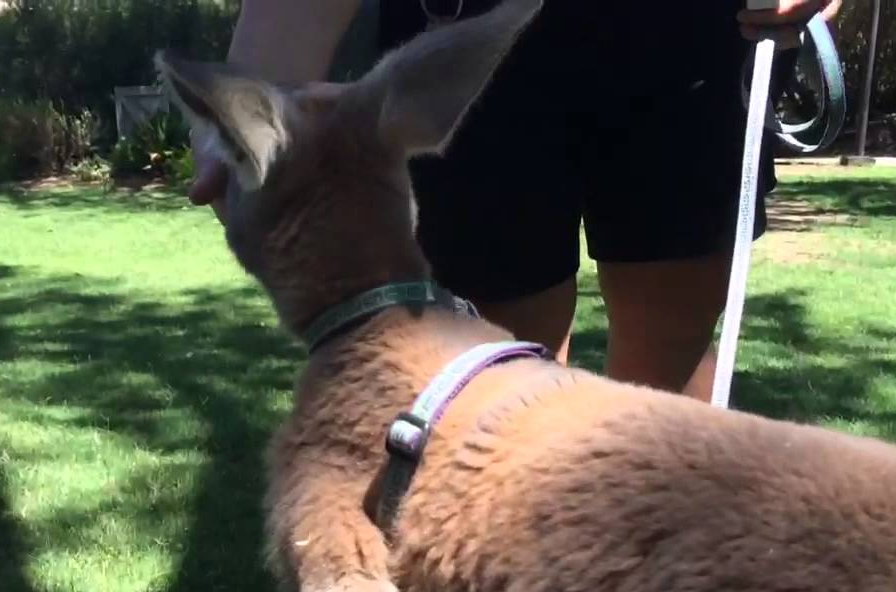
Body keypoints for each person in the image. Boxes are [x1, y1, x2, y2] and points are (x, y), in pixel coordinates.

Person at [186, 0, 841, 402]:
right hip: (472, 38)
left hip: (694, 31)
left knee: (666, 376)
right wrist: (245, 96)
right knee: (498, 387)